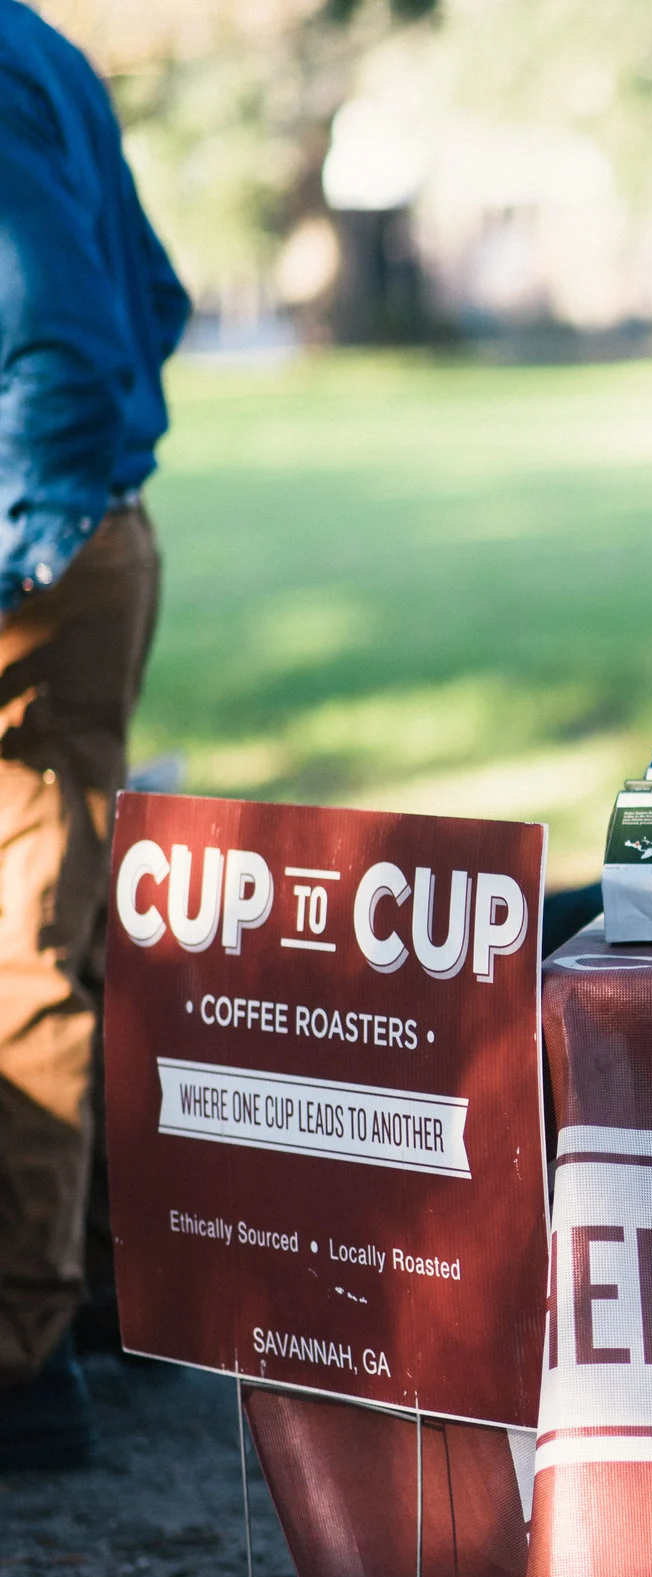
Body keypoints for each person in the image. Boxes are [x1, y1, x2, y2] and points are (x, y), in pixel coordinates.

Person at [0, 0, 190, 1470]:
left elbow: (63, 328)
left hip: (36, 554)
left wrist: (22, 551)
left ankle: (22, 1358)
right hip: (71, 538)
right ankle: (124, 1289)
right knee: (60, 931)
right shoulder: (38, 45)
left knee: (26, 949)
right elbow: (159, 295)